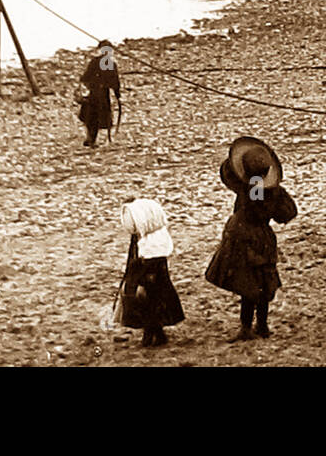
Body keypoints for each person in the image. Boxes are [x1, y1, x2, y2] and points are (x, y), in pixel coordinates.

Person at [205, 136, 298, 342]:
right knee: (263, 283)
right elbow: (288, 213)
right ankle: (262, 326)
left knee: (247, 284)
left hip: (243, 237)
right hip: (263, 238)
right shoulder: (271, 191)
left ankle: (246, 328)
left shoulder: (248, 187)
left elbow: (227, 173)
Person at [117, 198, 184, 348]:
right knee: (146, 301)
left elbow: (154, 260)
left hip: (150, 272)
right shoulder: (143, 238)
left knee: (150, 300)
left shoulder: (154, 241)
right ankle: (155, 333)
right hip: (144, 270)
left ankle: (152, 333)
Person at [76, 42, 121, 148]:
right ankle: (93, 139)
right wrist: (117, 94)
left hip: (92, 94)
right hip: (102, 95)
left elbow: (84, 78)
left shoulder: (95, 62)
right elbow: (115, 82)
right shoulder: (110, 63)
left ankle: (90, 138)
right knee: (98, 117)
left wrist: (87, 86)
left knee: (90, 117)